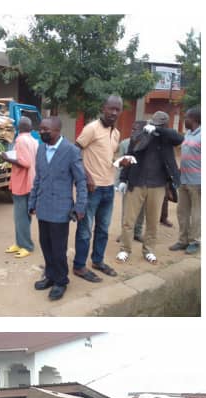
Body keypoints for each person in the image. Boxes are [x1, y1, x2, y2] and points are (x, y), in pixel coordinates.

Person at [28, 116, 87, 302]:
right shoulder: (40, 149)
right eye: (41, 129)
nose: (42, 132)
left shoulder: (70, 151)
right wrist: (32, 202)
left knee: (58, 248)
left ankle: (61, 281)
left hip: (61, 210)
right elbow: (38, 178)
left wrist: (80, 206)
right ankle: (51, 275)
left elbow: (81, 180)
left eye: (46, 129)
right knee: (45, 245)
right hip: (43, 207)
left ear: (57, 130)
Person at [117, 111, 183, 266]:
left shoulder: (167, 138)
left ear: (165, 125)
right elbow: (129, 156)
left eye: (159, 124)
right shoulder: (141, 134)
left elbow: (180, 138)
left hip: (158, 185)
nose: (155, 126)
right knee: (128, 220)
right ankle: (125, 249)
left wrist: (159, 131)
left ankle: (149, 250)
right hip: (137, 182)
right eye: (154, 123)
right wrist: (122, 179)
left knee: (152, 221)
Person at [72, 94, 123, 283]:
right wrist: (86, 176)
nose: (114, 112)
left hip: (109, 187)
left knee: (103, 229)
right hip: (91, 189)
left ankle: (97, 261)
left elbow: (107, 157)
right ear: (104, 107)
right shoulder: (91, 129)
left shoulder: (116, 133)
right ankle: (79, 266)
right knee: (85, 229)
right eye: (111, 108)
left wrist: (120, 162)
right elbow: (74, 151)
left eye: (117, 109)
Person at [169, 106, 201, 255]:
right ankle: (182, 240)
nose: (184, 120)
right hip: (183, 180)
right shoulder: (188, 134)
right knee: (182, 211)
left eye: (186, 117)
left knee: (196, 213)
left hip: (197, 182)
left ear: (194, 119)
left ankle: (194, 241)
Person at [5, 117, 37, 258]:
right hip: (31, 181)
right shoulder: (34, 140)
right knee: (24, 215)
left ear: (19, 128)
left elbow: (26, 162)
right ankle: (20, 243)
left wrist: (7, 158)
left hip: (22, 182)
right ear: (30, 128)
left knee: (20, 216)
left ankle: (26, 246)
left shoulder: (20, 140)